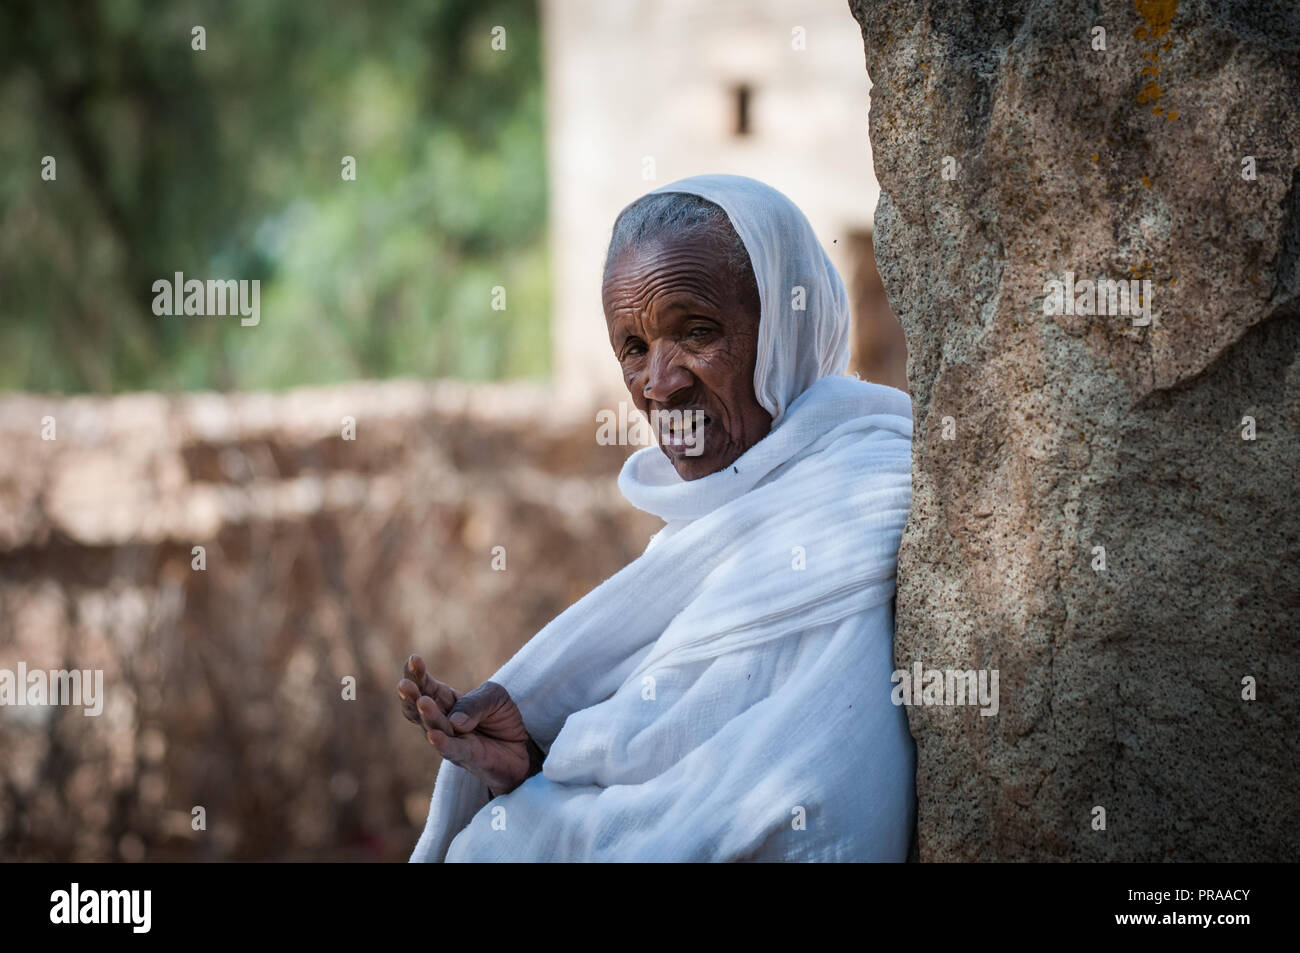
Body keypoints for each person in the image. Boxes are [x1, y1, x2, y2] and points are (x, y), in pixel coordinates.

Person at [400, 173, 915, 861]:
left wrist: (540, 814)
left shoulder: (858, 507)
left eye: (697, 332)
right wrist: (532, 760)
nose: (659, 383)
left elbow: (817, 812)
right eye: (633, 347)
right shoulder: (696, 547)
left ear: (787, 328)